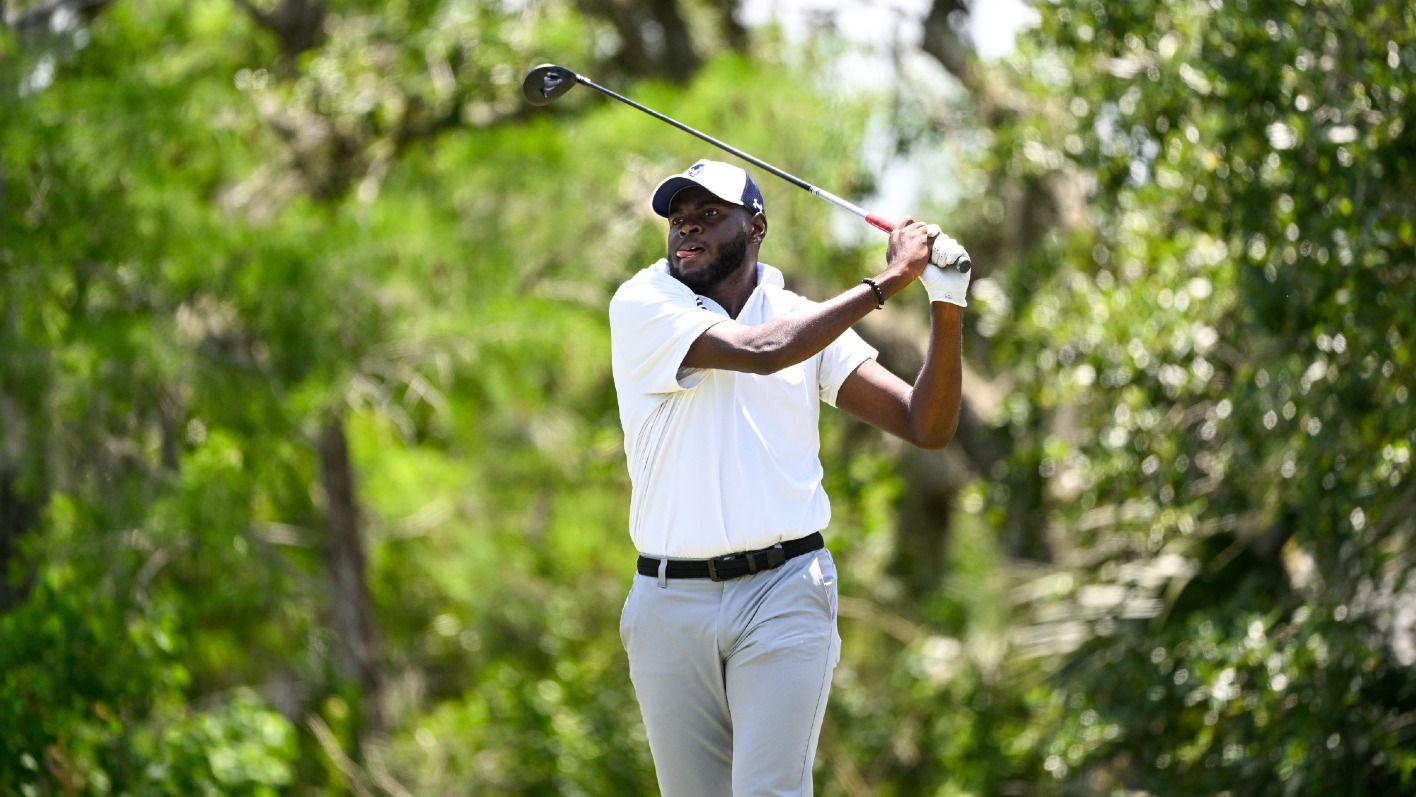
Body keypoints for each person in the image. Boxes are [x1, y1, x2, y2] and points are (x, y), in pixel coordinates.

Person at [608, 159, 971, 797]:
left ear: (757, 227)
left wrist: (945, 303)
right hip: (668, 602)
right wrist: (888, 281)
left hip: (782, 591)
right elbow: (762, 351)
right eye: (678, 219)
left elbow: (925, 425)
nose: (686, 229)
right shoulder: (643, 303)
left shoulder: (803, 319)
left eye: (709, 216)